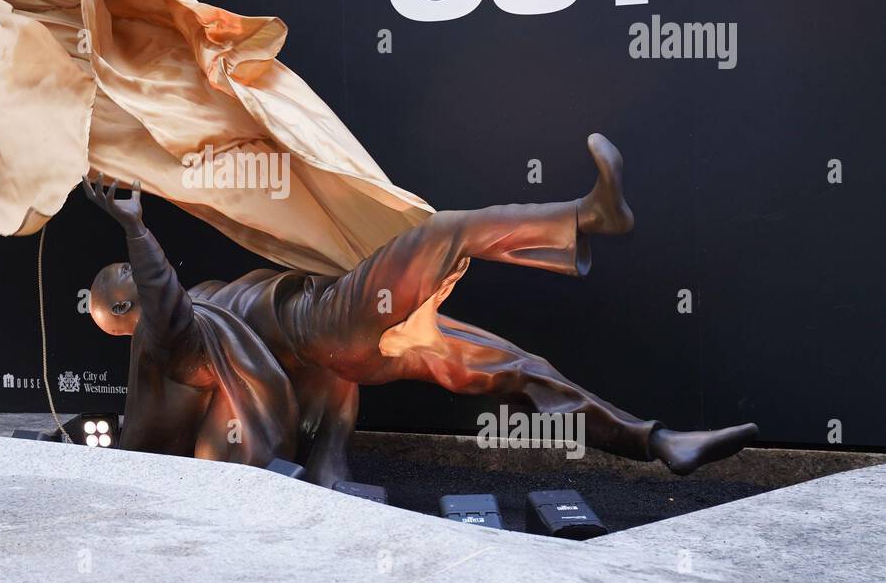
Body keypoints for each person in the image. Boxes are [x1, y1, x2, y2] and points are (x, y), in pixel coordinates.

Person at [82, 135, 758, 487]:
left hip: (354, 347)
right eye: (128, 283)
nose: (138, 279)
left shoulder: (207, 314)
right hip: (334, 323)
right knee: (445, 234)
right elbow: (168, 321)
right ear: (125, 309)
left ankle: (656, 442)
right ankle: (589, 215)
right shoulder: (173, 339)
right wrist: (136, 233)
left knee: (521, 371)